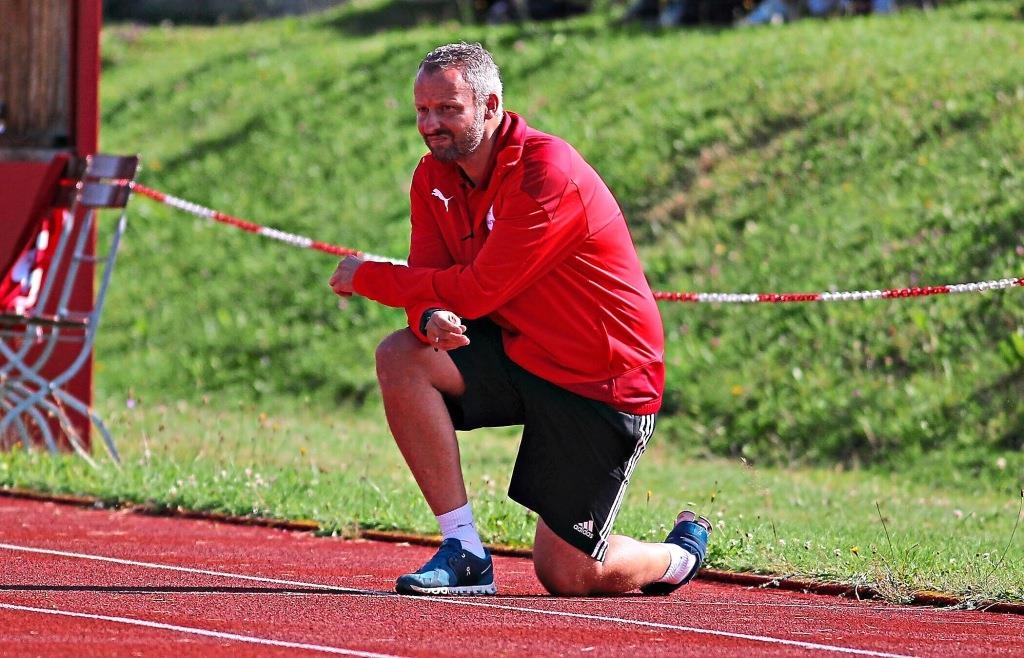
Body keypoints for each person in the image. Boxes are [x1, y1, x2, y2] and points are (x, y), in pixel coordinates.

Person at [329, 42, 711, 597]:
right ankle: (463, 549)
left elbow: (480, 290)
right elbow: (430, 277)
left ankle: (678, 554)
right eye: (421, 110)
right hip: (520, 348)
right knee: (402, 357)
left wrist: (370, 276)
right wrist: (429, 315)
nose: (431, 124)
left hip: (602, 379)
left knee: (569, 575)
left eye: (448, 109)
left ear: (490, 106)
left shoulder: (545, 172)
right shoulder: (430, 176)